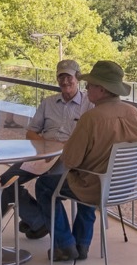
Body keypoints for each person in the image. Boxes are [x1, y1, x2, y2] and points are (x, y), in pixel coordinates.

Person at [31, 60, 137, 263]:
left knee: (45, 185)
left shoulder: (91, 118)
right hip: (130, 186)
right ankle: (81, 244)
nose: (87, 88)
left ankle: (64, 245)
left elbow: (70, 159)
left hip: (99, 188)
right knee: (91, 175)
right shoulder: (134, 113)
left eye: (91, 85)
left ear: (102, 90)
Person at [6, 59, 90, 238]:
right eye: (61, 77)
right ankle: (38, 219)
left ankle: (47, 226)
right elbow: (31, 133)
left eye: (69, 77)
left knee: (46, 186)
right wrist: (45, 146)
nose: (65, 82)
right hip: (42, 155)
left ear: (78, 79)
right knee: (6, 181)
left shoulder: (89, 104)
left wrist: (63, 148)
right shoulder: (48, 102)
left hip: (68, 159)